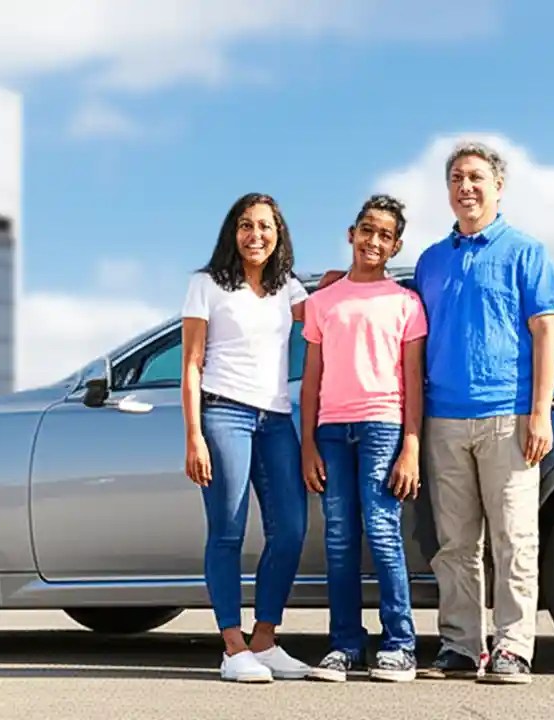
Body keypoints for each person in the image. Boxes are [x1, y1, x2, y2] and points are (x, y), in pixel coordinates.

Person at [413, 141, 554, 684]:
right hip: (443, 420)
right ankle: (459, 645)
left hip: (509, 416)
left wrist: (539, 413)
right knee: (454, 543)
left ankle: (514, 647)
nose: (465, 187)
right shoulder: (431, 261)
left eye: (476, 177)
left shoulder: (526, 252)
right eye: (456, 178)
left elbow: (546, 334)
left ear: (499, 187)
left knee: (514, 539)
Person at [180, 192, 313, 683]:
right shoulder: (206, 284)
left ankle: (265, 640)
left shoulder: (288, 289)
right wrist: (194, 435)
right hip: (223, 415)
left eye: (265, 227)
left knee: (292, 529)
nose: (255, 235)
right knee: (229, 531)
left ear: (279, 235)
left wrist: (351, 282)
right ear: (232, 233)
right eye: (246, 226)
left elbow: (327, 318)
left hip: (276, 420)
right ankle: (232, 647)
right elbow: (192, 363)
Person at [299, 194, 428, 683]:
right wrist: (308, 443)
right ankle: (345, 646)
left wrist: (411, 445)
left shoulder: (405, 303)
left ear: (395, 246)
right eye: (366, 230)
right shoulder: (323, 302)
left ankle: (399, 644)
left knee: (381, 528)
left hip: (383, 426)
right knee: (338, 536)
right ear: (351, 233)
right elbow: (311, 379)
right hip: (331, 430)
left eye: (385, 235)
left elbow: (413, 380)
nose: (373, 241)